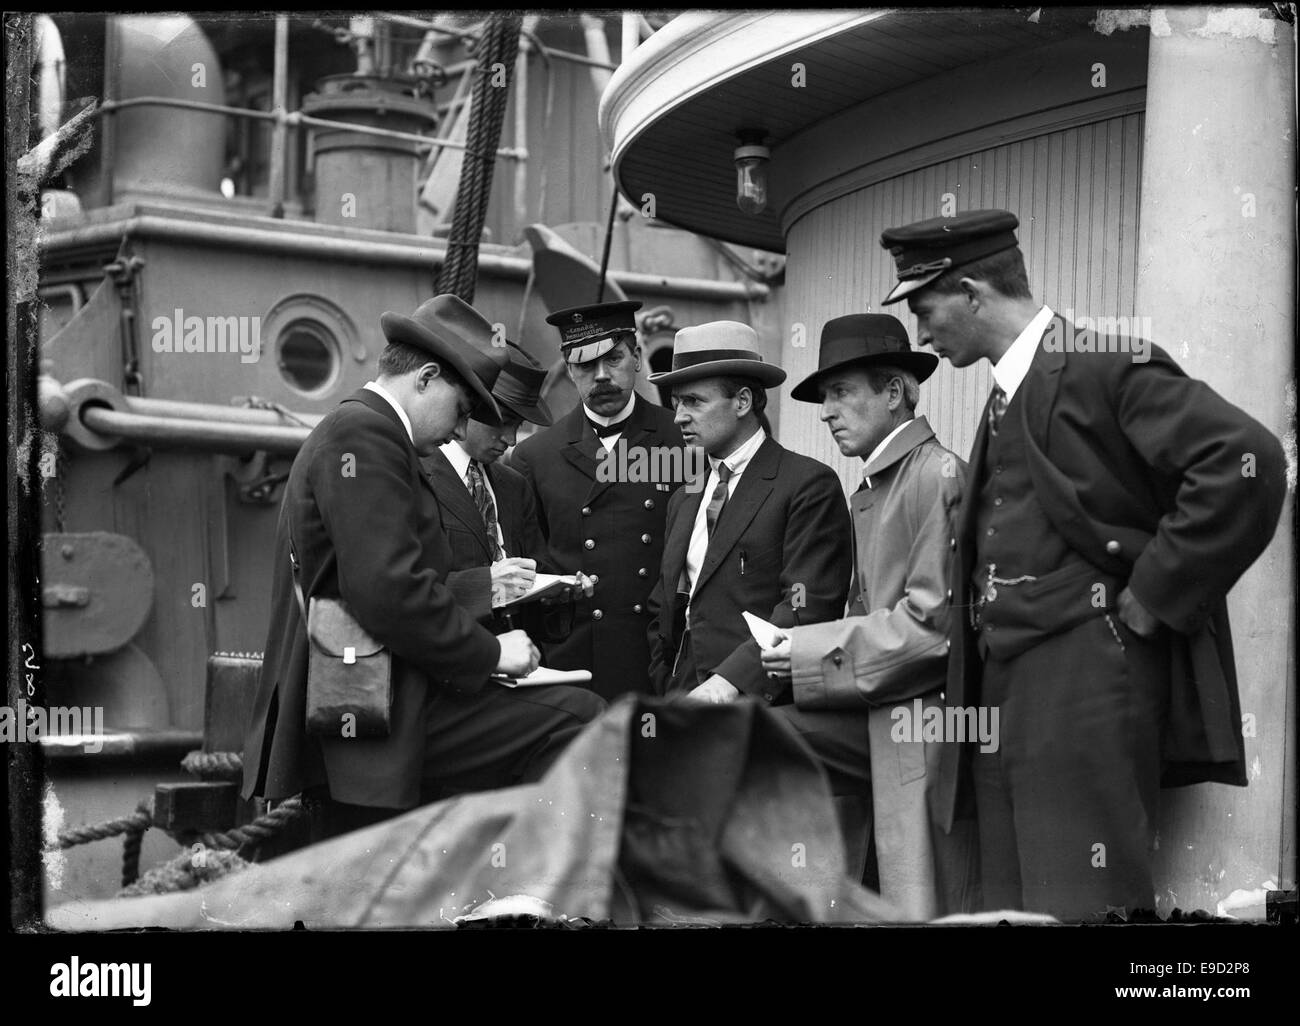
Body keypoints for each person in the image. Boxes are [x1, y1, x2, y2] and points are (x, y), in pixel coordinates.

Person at [879, 209, 1287, 920]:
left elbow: (1244, 463)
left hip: (1086, 678)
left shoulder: (1107, 365)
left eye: (925, 307)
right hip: (1001, 693)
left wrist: (1153, 597)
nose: (921, 332)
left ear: (972, 292)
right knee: (1016, 907)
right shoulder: (1007, 393)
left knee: (1083, 899)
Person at [242, 295, 605, 840]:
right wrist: (492, 654)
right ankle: (532, 890)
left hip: (364, 694)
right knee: (579, 718)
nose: (461, 430)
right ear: (427, 377)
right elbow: (388, 589)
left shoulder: (359, 431)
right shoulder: (366, 436)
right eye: (462, 410)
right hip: (372, 704)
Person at [758, 313, 978, 919]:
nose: (827, 411)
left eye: (841, 392)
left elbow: (933, 629)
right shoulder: (876, 487)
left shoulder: (936, 475)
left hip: (920, 721)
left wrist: (802, 653)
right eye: (825, 396)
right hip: (882, 712)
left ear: (894, 392)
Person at [645, 320, 852, 702]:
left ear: (742, 401)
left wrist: (727, 685)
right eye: (676, 403)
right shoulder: (686, 496)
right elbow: (665, 602)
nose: (678, 417)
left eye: (694, 401)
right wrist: (665, 677)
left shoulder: (806, 485)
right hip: (683, 698)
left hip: (757, 706)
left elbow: (805, 605)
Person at [506, 300, 686, 700]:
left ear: (637, 357)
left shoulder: (682, 441)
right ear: (570, 370)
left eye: (614, 358)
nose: (602, 376)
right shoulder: (535, 456)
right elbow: (528, 566)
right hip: (572, 657)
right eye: (586, 365)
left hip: (654, 654)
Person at [421, 341, 592, 632]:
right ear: (471, 406)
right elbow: (405, 592)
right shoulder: (416, 473)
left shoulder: (513, 486)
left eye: (517, 425)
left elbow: (536, 574)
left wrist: (558, 592)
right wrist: (487, 583)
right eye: (503, 422)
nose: (511, 439)